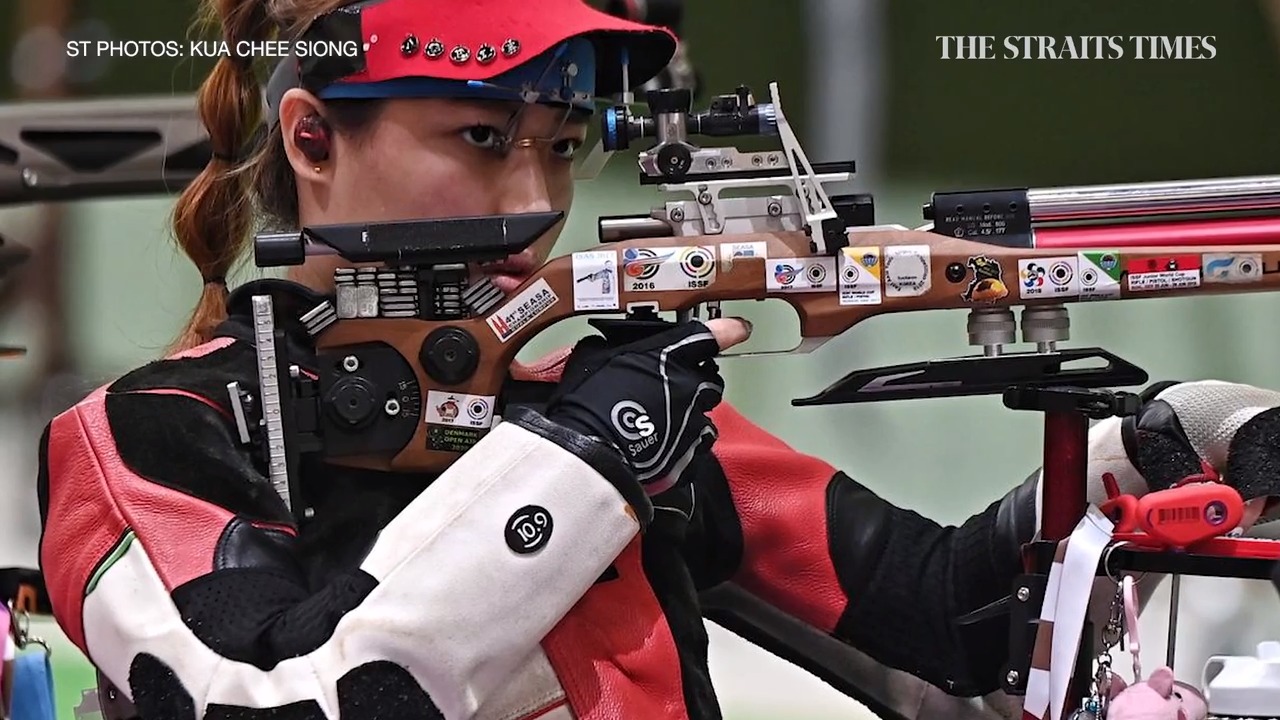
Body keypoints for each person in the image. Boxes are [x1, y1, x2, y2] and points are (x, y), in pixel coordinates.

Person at [32, 1, 1280, 719]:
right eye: (479, 136)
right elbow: (278, 702)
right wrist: (586, 452)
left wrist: (1140, 454)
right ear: (310, 139)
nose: (533, 198)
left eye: (564, 145)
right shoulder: (152, 433)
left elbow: (945, 617)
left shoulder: (598, 407)